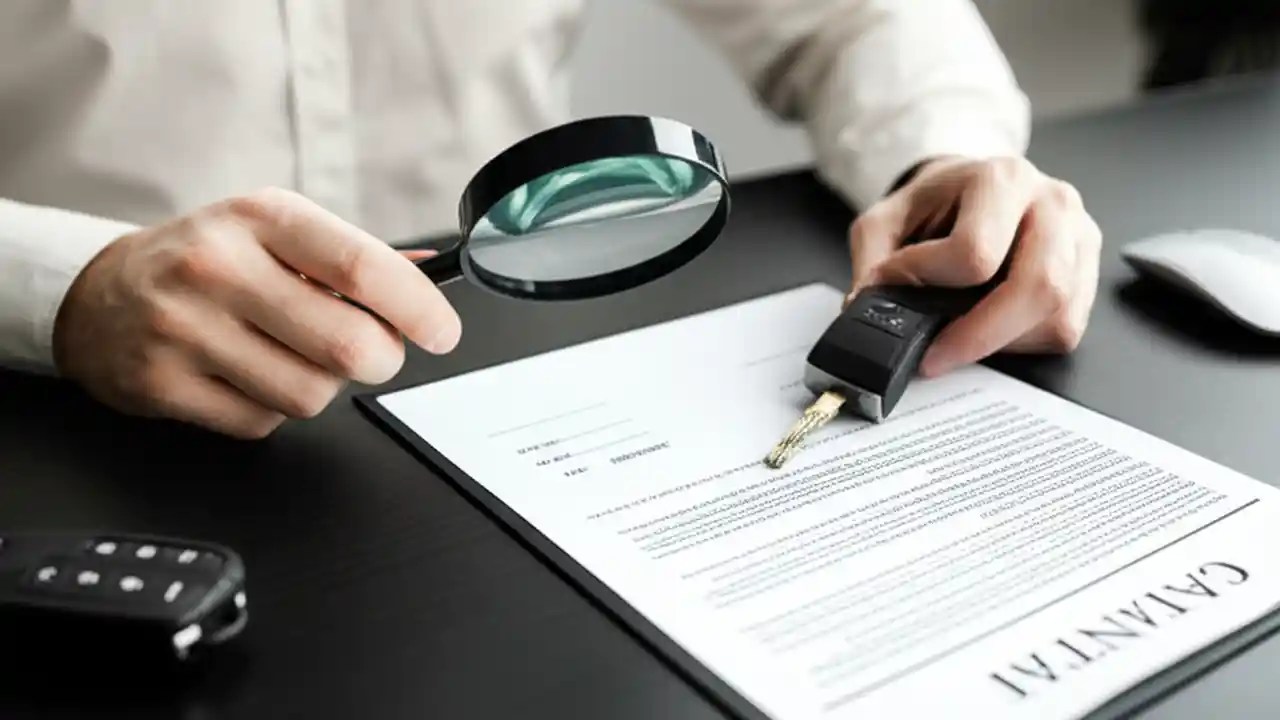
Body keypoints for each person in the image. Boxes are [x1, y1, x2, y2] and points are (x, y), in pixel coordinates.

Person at [0, 0, 1101, 440]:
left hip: (503, 348)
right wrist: (66, 283)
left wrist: (948, 157)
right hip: (76, 403)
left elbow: (854, 16)